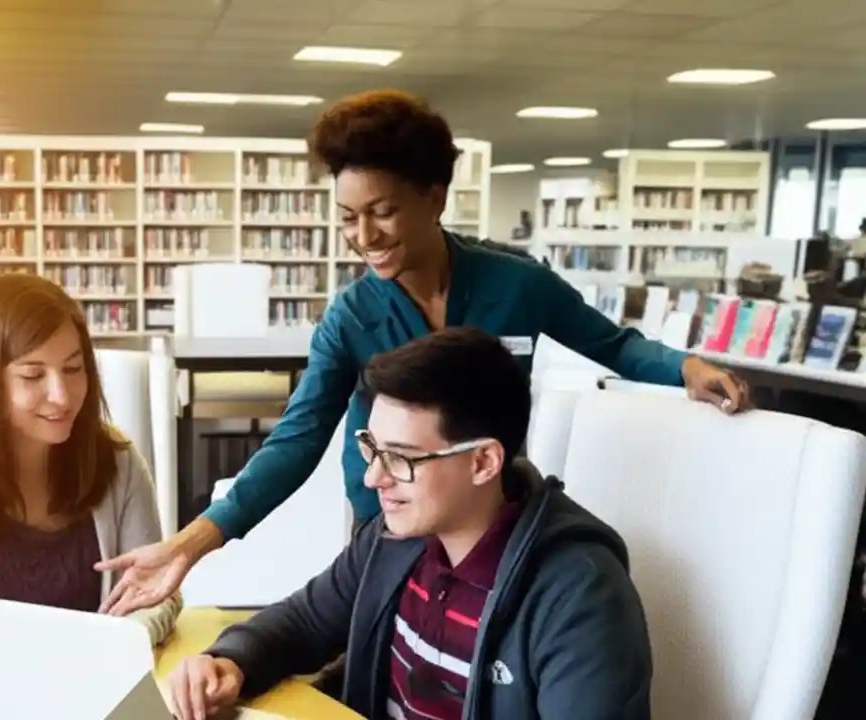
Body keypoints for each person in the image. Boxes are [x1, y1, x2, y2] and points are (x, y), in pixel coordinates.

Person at [97, 89, 750, 616]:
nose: (363, 235)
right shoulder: (351, 317)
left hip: (487, 528)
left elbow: (612, 343)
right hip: (388, 532)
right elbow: (294, 443)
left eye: (380, 211)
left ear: (434, 197)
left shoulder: (516, 285)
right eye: (348, 217)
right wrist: (190, 545)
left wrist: (684, 368)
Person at [166, 329, 652, 720]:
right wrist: (227, 662)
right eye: (371, 448)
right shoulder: (397, 538)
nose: (375, 477)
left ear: (483, 462)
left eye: (400, 458)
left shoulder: (579, 596)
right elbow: (305, 622)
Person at [0, 272, 182, 693]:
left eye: (73, 369)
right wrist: (28, 690)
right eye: (32, 376)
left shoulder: (118, 463)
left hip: (96, 698)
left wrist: (118, 646)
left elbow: (159, 594)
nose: (61, 395)